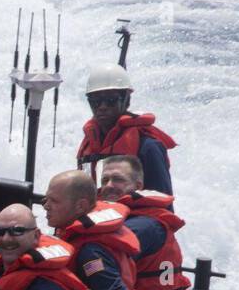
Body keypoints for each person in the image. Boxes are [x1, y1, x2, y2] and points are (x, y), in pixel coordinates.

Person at [98, 154, 189, 290]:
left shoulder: (142, 227)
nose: (109, 185)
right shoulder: (118, 220)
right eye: (105, 180)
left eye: (118, 180)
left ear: (138, 185)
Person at [75, 63, 176, 195]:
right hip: (96, 213)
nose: (102, 107)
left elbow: (163, 199)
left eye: (111, 100)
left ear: (126, 100)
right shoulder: (89, 145)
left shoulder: (148, 147)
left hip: (133, 214)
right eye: (95, 101)